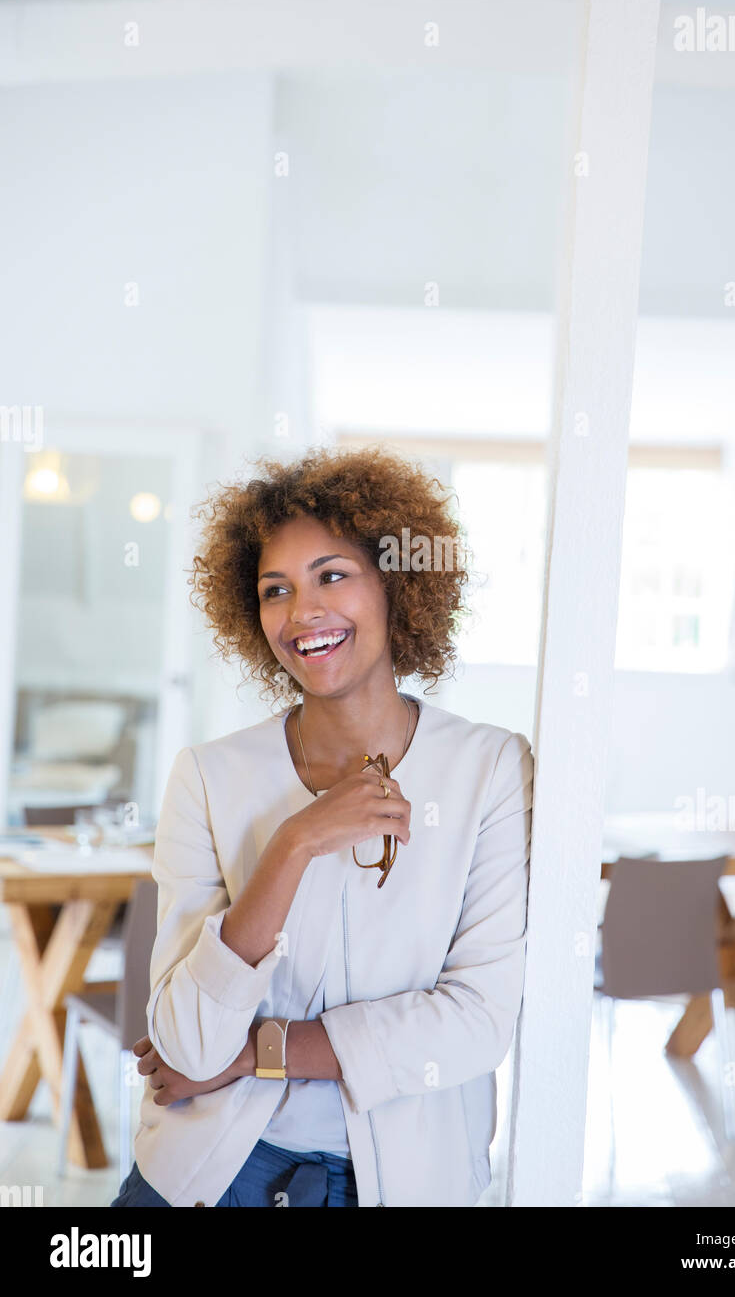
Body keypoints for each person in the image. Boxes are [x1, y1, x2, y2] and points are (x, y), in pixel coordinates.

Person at [110, 444, 534, 1207]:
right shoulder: (209, 776)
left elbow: (476, 1022)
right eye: (276, 590)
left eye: (332, 576)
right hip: (210, 1173)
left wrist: (259, 1053)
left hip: (407, 1181)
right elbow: (187, 1044)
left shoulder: (491, 770)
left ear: (397, 588)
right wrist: (295, 843)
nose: (303, 612)